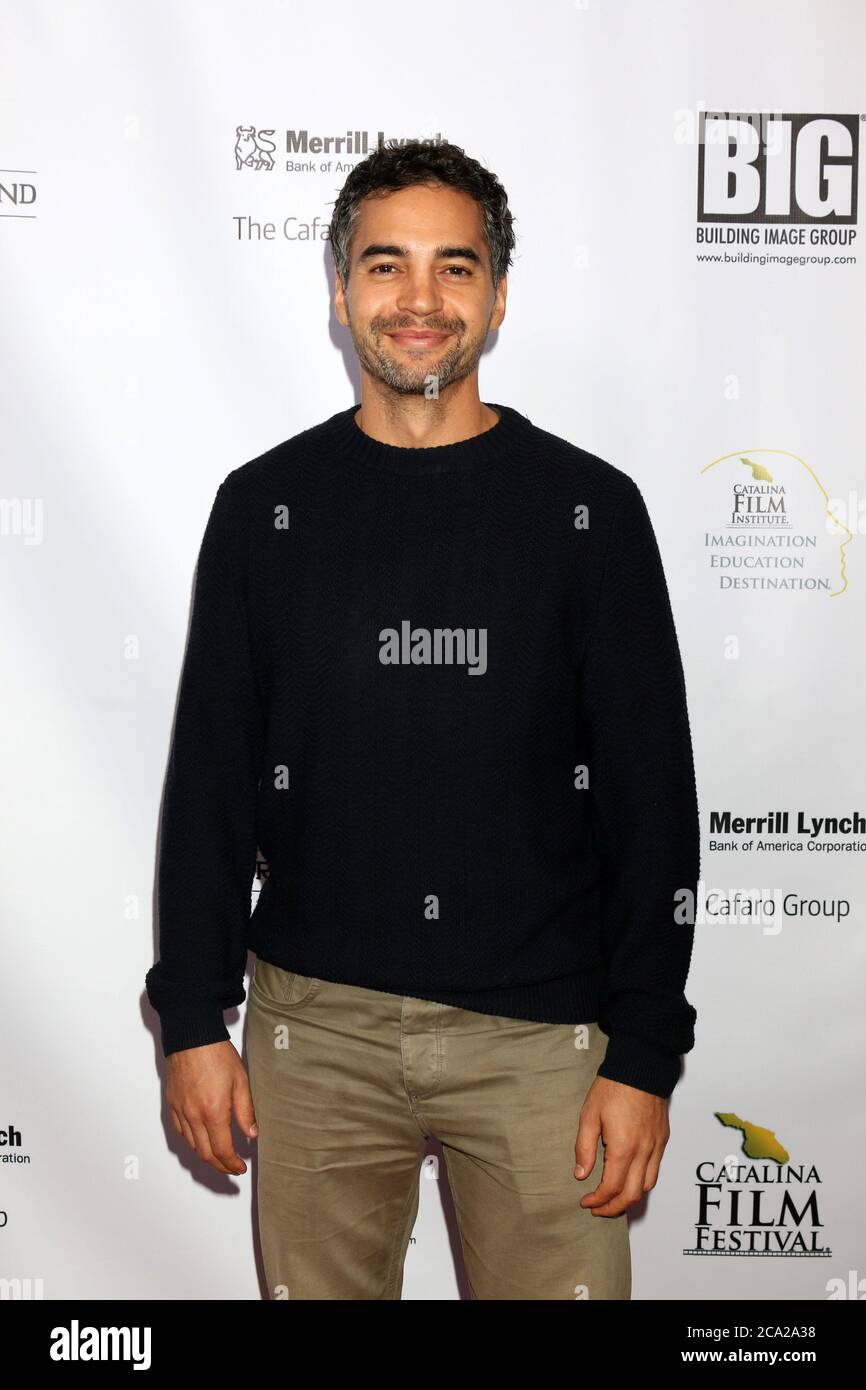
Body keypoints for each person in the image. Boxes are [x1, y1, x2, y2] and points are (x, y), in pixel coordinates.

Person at [145, 139, 700, 1301]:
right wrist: (194, 1018)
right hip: (314, 1032)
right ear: (341, 293)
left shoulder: (588, 512)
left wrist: (642, 1052)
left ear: (497, 298)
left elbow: (653, 803)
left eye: (455, 267)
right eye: (385, 264)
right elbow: (210, 781)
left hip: (544, 1039)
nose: (418, 300)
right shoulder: (263, 509)